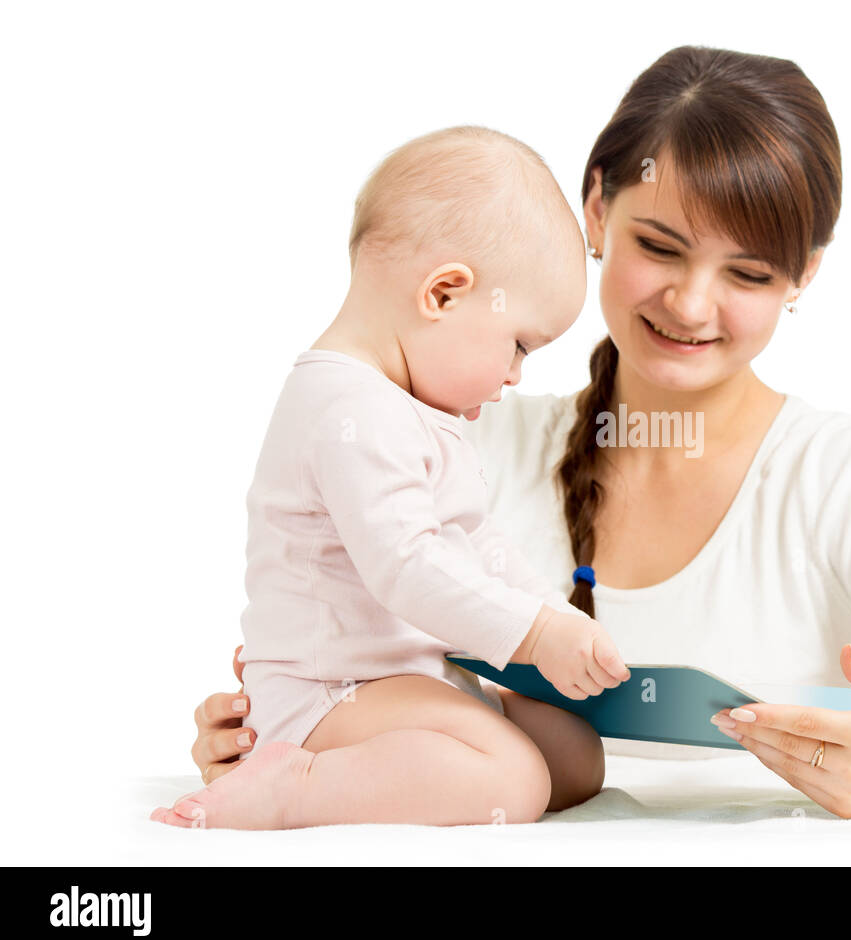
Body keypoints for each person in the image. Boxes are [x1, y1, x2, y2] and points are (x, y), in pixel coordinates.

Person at [188, 46, 851, 820]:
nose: (691, 305)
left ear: (803, 276)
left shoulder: (840, 478)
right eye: (659, 246)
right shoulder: (462, 435)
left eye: (747, 271)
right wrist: (271, 744)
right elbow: (352, 646)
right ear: (594, 209)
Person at [151, 126, 631, 830]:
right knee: (516, 779)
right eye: (518, 345)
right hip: (328, 693)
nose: (513, 377)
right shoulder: (348, 404)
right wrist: (530, 635)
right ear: (442, 293)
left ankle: (356, 771)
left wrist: (552, 620)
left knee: (574, 758)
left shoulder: (413, 410)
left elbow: (474, 544)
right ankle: (296, 783)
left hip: (401, 682)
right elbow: (405, 565)